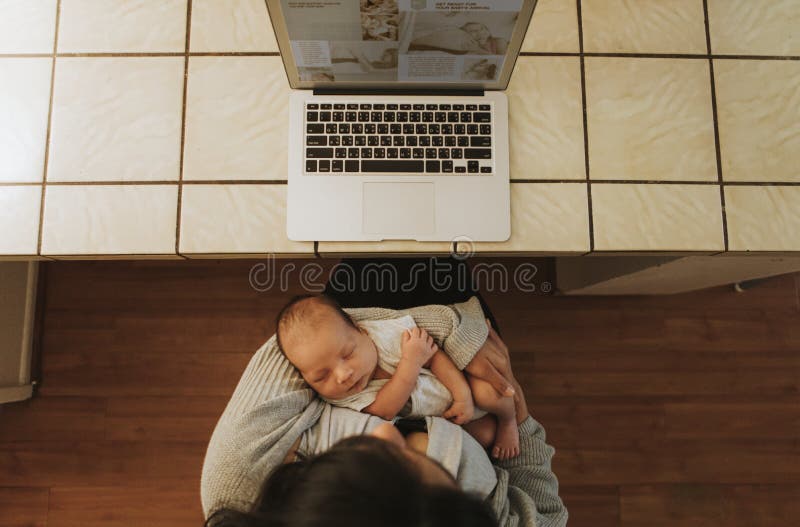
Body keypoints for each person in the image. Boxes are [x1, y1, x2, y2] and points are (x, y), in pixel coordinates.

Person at [201, 258, 568, 526]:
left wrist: (452, 333)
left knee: (375, 252)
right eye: (414, 463)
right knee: (443, 257)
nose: (386, 428)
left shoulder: (237, 486)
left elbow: (307, 336)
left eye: (361, 457)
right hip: (457, 393)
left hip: (382, 332)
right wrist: (514, 405)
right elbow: (545, 511)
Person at [275, 294, 522, 459]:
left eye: (348, 354)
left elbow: (435, 357)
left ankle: (510, 420)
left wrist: (462, 395)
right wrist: (410, 362)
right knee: (484, 436)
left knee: (488, 394)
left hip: (460, 386)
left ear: (361, 330)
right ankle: (498, 425)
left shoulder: (384, 335)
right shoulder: (341, 398)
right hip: (442, 419)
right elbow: (385, 409)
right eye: (321, 376)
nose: (343, 375)